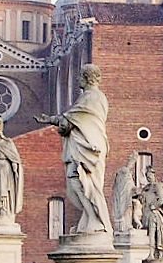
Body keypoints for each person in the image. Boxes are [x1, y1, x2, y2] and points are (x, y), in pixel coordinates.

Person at [37, 64, 111, 235]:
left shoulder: (92, 97)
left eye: (79, 77)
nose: (77, 79)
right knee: (78, 182)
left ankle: (97, 219)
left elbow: (71, 120)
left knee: (83, 182)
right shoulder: (88, 97)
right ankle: (89, 217)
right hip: (81, 145)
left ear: (86, 78)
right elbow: (72, 119)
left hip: (88, 147)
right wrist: (52, 119)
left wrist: (53, 121)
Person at [137, 166, 163, 262]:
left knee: (153, 234)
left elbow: (162, 198)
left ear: (153, 175)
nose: (148, 178)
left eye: (150, 176)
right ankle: (153, 252)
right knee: (150, 234)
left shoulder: (158, 186)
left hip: (154, 214)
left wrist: (155, 206)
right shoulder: (146, 188)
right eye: (147, 176)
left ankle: (152, 253)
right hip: (147, 213)